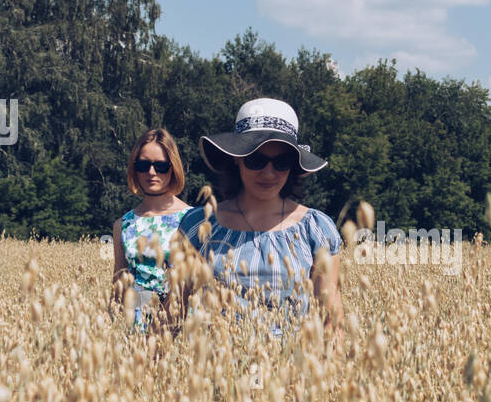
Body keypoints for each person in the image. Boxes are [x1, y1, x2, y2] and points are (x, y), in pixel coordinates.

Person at [177, 98, 343, 346]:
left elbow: (330, 320)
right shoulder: (198, 225)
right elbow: (174, 310)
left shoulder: (316, 229)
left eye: (281, 163)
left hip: (294, 367)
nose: (268, 173)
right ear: (237, 159)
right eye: (256, 160)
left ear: (293, 165)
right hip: (216, 367)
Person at [112, 129, 192, 333]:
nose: (151, 172)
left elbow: (192, 284)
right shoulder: (123, 224)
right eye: (143, 165)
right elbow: (118, 285)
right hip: (134, 327)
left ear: (173, 168)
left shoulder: (192, 220)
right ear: (134, 169)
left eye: (161, 166)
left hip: (177, 324)